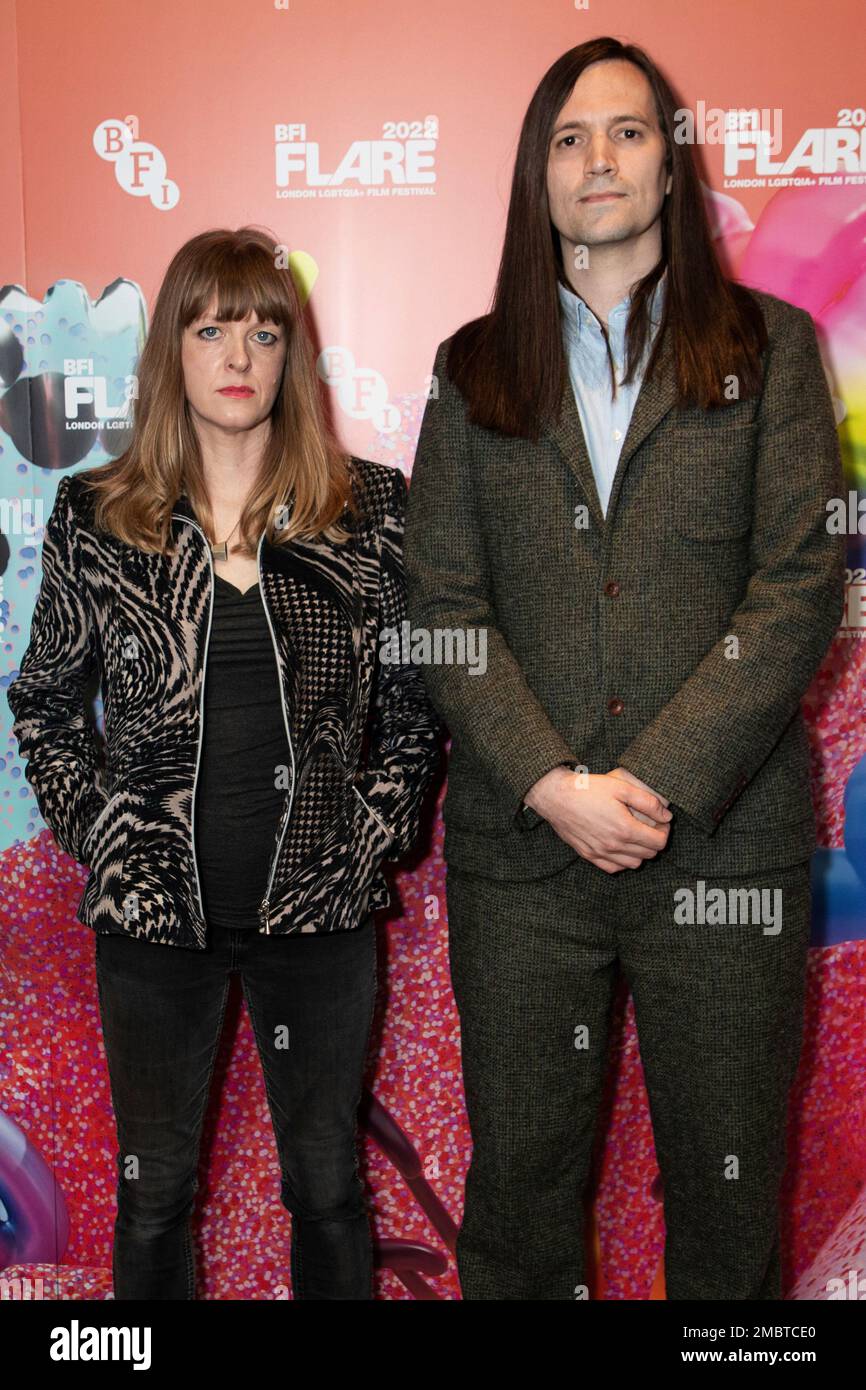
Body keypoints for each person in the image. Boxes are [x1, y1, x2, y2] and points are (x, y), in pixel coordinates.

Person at [404, 38, 845, 1300]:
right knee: (520, 1201)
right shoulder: (470, 366)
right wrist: (551, 780)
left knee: (724, 1191)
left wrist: (646, 780)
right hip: (523, 857)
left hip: (722, 850)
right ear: (535, 178)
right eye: (565, 138)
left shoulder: (769, 349)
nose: (596, 160)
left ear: (668, 168)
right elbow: (440, 605)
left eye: (627, 133)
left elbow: (798, 583)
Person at [7, 225, 441, 1300]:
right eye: (211, 328)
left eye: (261, 329)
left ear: (290, 352)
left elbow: (417, 703)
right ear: (174, 352)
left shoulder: (369, 509)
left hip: (321, 920)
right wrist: (106, 831)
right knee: (155, 1195)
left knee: (327, 1186)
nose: (238, 354)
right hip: (155, 926)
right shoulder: (100, 516)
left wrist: (369, 833)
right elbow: (47, 703)